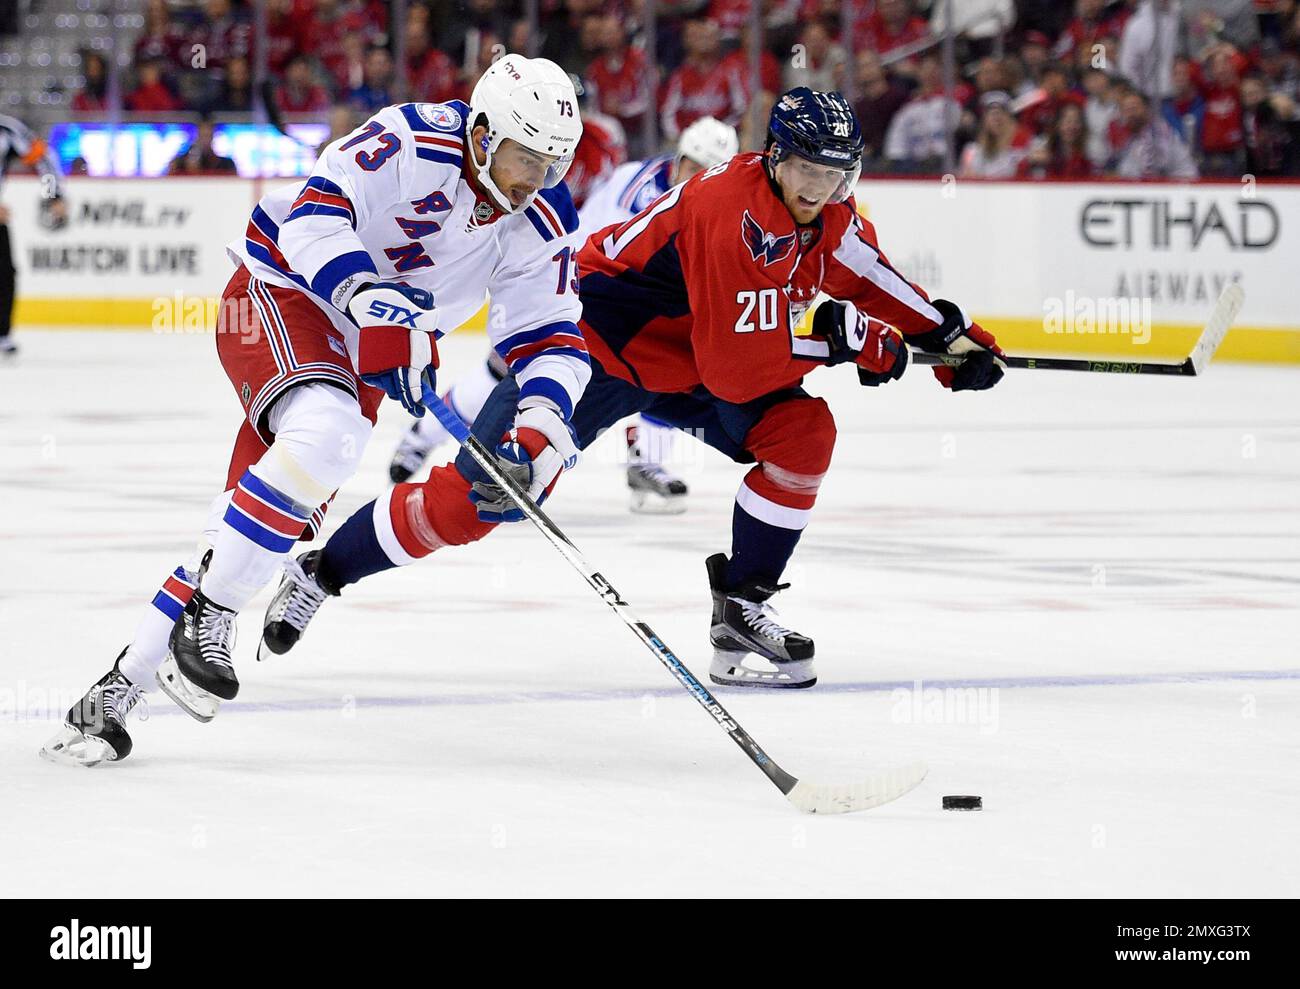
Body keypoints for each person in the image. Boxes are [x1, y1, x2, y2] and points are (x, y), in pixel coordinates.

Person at [260, 88, 1006, 693]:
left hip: (685, 362)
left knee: (802, 434)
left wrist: (947, 333)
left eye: (836, 174)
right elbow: (735, 370)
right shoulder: (727, 210)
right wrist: (840, 343)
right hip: (595, 348)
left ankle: (742, 608)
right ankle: (324, 568)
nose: (821, 189)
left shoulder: (831, 214)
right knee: (479, 500)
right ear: (775, 160)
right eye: (808, 171)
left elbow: (870, 278)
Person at [41, 55, 587, 766]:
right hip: (280, 291)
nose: (532, 182)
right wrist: (368, 297)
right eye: (523, 158)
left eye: (551, 165)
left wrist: (539, 433)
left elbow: (550, 337)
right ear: (482, 133)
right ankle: (212, 615)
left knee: (247, 528)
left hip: (355, 350)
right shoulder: (411, 140)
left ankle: (114, 693)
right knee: (326, 435)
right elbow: (314, 215)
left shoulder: (540, 215)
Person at [386, 117, 741, 517]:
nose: (697, 178)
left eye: (710, 172)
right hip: (569, 283)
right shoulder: (639, 187)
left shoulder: (707, 206)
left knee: (664, 362)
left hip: (618, 303)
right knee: (504, 374)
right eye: (693, 167)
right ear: (678, 160)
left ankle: (644, 458)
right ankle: (422, 436)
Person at [0, 114, 67, 359]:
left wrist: (54, 195)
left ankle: (2, 334)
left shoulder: (6, 130)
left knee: (5, 274)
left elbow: (43, 159)